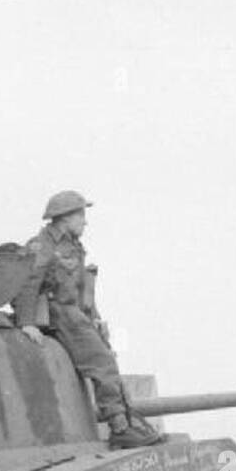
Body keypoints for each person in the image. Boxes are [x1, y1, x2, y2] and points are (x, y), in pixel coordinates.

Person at [13, 191, 160, 449]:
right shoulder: (42, 245)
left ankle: (127, 421)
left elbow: (81, 288)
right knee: (102, 364)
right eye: (80, 215)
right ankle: (119, 428)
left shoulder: (72, 246)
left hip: (76, 312)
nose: (85, 221)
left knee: (108, 360)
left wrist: (95, 319)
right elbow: (27, 283)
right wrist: (28, 322)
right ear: (64, 218)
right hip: (60, 313)